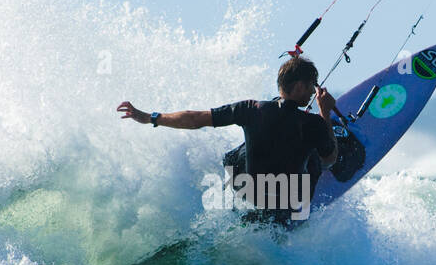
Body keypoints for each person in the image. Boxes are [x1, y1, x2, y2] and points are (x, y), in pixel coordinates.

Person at [117, 56, 338, 223]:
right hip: (286, 207)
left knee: (235, 155)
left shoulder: (251, 109)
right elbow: (330, 159)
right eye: (312, 86)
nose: (312, 92)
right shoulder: (314, 124)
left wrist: (150, 117)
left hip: (250, 196)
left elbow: (195, 119)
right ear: (299, 86)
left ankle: (228, 201)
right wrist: (325, 114)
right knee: (316, 160)